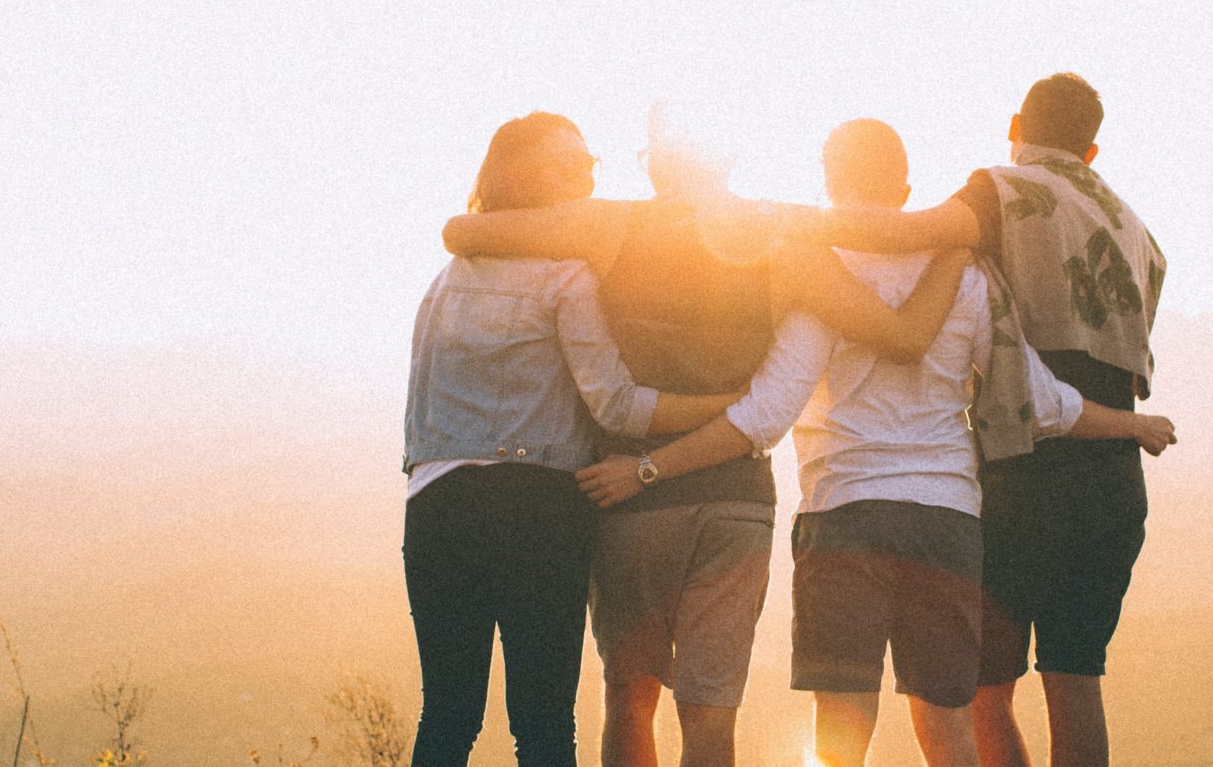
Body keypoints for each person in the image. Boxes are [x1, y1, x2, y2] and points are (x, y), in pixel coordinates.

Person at [577, 118, 1175, 767]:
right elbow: (1039, 401)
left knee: (842, 735)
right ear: (906, 189)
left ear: (829, 183)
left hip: (844, 516)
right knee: (947, 729)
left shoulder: (818, 276)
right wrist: (1132, 424)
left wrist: (650, 467)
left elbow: (766, 415)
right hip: (946, 520)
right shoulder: (967, 275)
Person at [440, 105, 966, 767]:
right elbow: (902, 336)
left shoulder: (608, 225)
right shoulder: (783, 243)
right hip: (735, 503)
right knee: (711, 715)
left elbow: (464, 232)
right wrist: (957, 246)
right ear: (728, 158)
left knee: (630, 700)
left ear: (657, 163)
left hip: (629, 499)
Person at [791, 75, 1167, 767]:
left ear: (1016, 125)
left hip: (1022, 469)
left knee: (985, 696)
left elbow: (909, 233)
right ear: (1091, 149)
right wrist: (1131, 425)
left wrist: (778, 224)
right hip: (1112, 472)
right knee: (1077, 682)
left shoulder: (1005, 191)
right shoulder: (1134, 228)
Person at [402, 112, 749, 767]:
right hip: (537, 508)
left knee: (447, 713)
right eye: (570, 165)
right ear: (525, 175)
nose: (587, 177)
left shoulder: (444, 281)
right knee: (542, 725)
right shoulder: (566, 276)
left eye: (590, 163)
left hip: (435, 505)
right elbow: (615, 404)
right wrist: (728, 406)